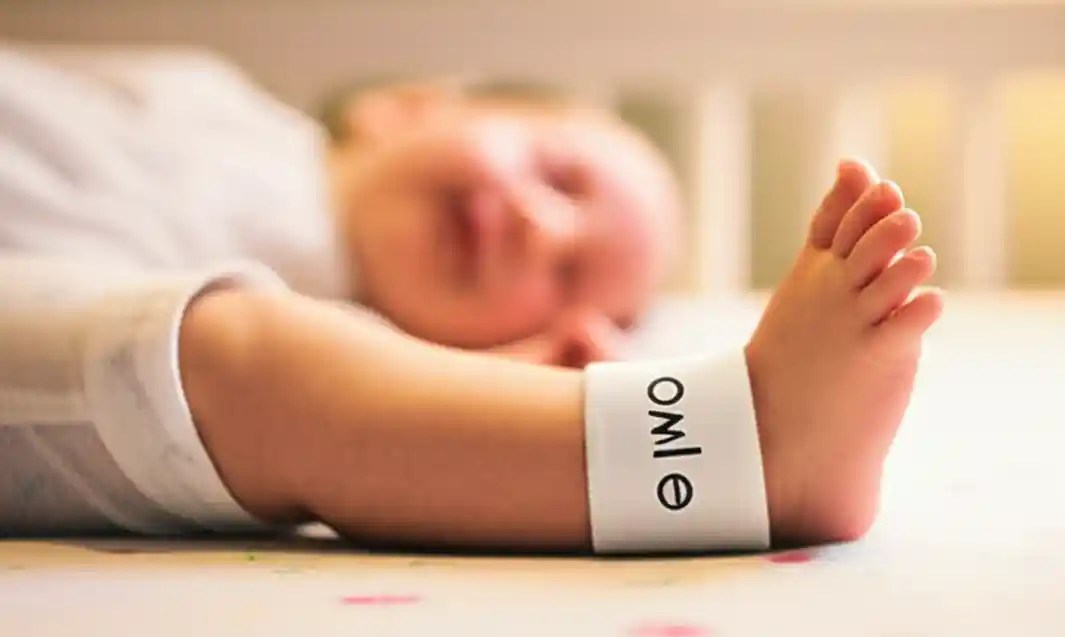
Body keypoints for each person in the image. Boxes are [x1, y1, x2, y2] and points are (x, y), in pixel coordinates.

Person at [0, 46, 943, 550]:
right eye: (558, 174)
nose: (541, 228)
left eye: (566, 280)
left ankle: (745, 455)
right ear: (410, 105)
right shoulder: (209, 99)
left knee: (243, 369)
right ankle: (746, 448)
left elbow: (364, 391)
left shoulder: (330, 337)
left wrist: (466, 387)